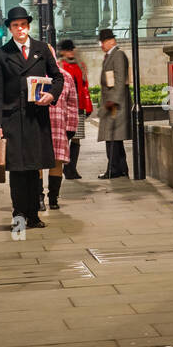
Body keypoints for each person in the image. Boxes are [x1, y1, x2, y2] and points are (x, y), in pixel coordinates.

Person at [0, 6, 64, 229]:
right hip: (12, 120)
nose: (20, 29)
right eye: (15, 25)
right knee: (18, 172)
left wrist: (51, 95)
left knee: (34, 168)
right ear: (10, 29)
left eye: (23, 24)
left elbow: (58, 78)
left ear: (28, 26)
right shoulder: (1, 54)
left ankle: (33, 215)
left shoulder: (42, 49)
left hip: (37, 118)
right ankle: (19, 215)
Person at [41, 42, 78, 210]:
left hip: (58, 126)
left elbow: (72, 104)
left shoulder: (65, 76)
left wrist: (71, 127)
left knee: (57, 162)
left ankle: (53, 198)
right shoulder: (35, 78)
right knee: (39, 163)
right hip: (39, 126)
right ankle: (39, 197)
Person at [95, 28, 131, 178]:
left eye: (102, 42)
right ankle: (121, 168)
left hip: (115, 105)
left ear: (110, 41)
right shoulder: (112, 55)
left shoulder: (118, 55)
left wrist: (113, 100)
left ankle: (114, 169)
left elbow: (120, 79)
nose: (101, 45)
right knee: (114, 139)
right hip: (112, 103)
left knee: (112, 138)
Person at [57, 39, 94, 179]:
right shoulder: (60, 65)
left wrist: (88, 106)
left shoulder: (80, 65)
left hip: (78, 107)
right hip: (65, 108)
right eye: (68, 49)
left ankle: (72, 168)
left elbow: (85, 87)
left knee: (77, 138)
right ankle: (65, 167)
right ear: (62, 52)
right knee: (65, 138)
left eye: (72, 49)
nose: (71, 52)